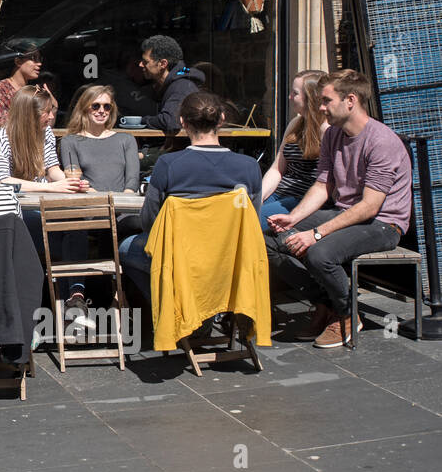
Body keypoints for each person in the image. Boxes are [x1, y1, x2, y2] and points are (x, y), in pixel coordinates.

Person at [264, 69, 412, 349]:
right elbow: (322, 185)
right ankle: (324, 302)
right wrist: (293, 218)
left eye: (326, 100)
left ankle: (346, 314)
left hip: (382, 223)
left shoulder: (381, 141)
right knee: (270, 237)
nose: (320, 107)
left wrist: (316, 233)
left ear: (350, 100)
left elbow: (370, 207)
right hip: (344, 212)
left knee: (320, 253)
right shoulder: (333, 134)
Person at [119, 92, 263, 301]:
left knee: (125, 248)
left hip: (180, 260)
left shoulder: (168, 164)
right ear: (222, 119)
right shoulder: (249, 166)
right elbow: (253, 224)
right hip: (230, 261)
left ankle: (179, 309)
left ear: (182, 122)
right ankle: (207, 311)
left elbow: (150, 222)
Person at [0, 86, 90, 323]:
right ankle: (67, 304)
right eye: (46, 112)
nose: (51, 117)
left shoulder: (45, 133)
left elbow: (52, 169)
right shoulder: (2, 137)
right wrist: (51, 187)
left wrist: (70, 183)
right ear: (29, 114)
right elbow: (2, 180)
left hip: (43, 209)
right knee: (61, 234)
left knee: (77, 222)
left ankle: (76, 294)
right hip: (19, 215)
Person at [258, 69, 328, 229]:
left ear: (310, 98)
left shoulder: (327, 131)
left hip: (302, 199)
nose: (290, 97)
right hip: (280, 193)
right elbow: (277, 169)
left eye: (295, 93)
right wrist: (258, 197)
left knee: (250, 220)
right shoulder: (295, 124)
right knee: (239, 211)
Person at [59, 84, 140, 194]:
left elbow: (132, 179)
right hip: (89, 203)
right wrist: (102, 201)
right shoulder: (69, 141)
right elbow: (76, 178)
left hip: (123, 204)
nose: (102, 110)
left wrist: (124, 201)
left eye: (107, 106)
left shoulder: (126, 140)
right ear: (84, 107)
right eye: (96, 106)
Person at [136, 35, 204, 134]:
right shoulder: (171, 85)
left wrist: (141, 121)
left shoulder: (182, 87)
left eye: (145, 62)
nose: (140, 65)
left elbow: (170, 121)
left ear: (163, 64)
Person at [0, 40, 43, 129]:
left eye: (39, 59)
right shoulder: (1, 89)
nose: (39, 63)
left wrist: (53, 106)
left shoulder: (36, 89)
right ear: (18, 61)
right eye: (33, 58)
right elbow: (3, 127)